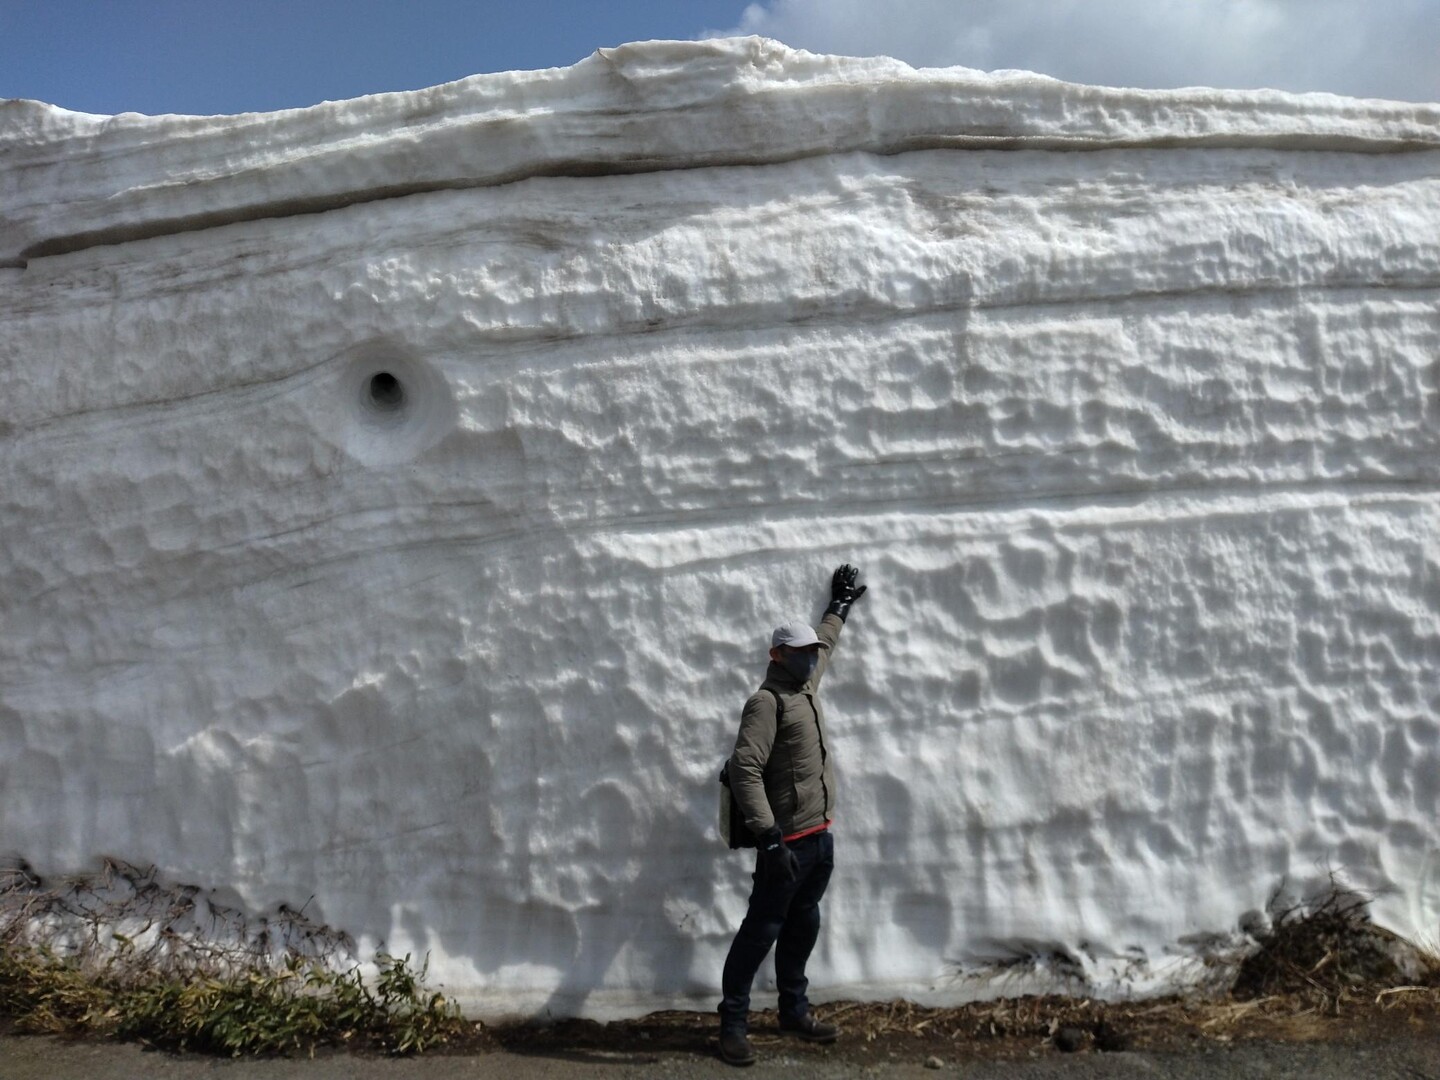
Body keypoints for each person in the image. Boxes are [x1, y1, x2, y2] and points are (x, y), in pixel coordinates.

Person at [717, 564, 867, 1067]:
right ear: (777, 655)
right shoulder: (767, 702)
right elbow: (745, 770)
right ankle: (732, 1025)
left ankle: (793, 1011)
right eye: (799, 652)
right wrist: (769, 838)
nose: (810, 658)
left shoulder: (806, 685)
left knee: (803, 923)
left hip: (820, 838)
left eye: (810, 653)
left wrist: (838, 607)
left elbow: (828, 642)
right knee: (761, 930)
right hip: (786, 844)